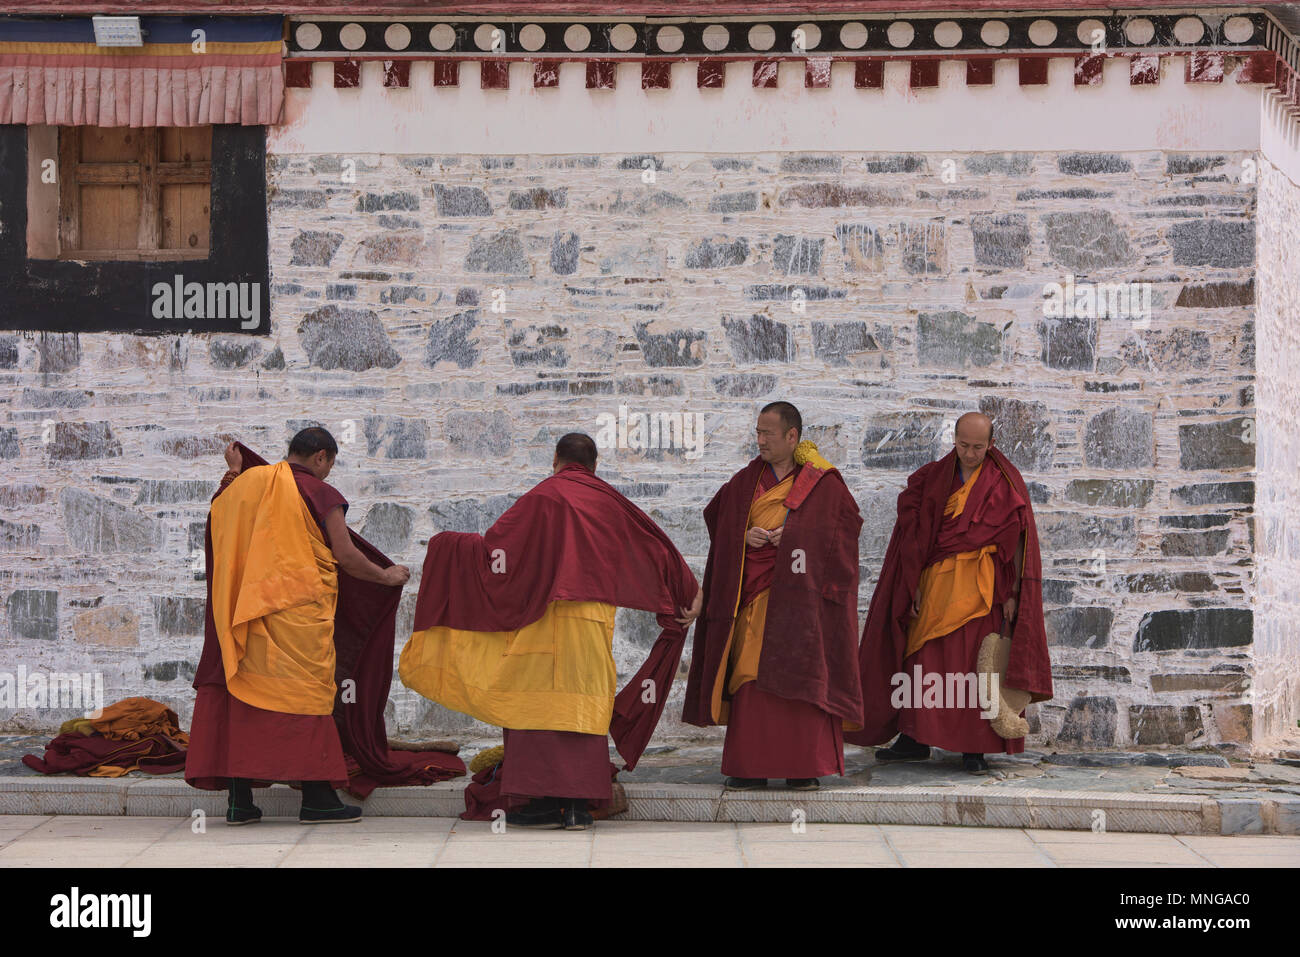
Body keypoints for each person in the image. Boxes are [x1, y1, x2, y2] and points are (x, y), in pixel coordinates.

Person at [400, 433, 700, 830]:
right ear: (594, 466)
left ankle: (538, 802)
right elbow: (654, 545)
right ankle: (576, 809)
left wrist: (447, 546)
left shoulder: (542, 497)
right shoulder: (609, 501)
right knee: (581, 706)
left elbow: (495, 553)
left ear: (555, 459)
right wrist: (687, 591)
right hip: (591, 621)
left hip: (541, 620)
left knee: (534, 705)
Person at [186, 428, 411, 824]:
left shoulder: (246, 485)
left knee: (244, 698)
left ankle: (240, 802)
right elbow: (346, 556)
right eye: (330, 464)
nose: (328, 472)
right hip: (296, 618)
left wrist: (234, 472)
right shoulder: (321, 494)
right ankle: (317, 799)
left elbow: (219, 513)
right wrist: (387, 577)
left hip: (244, 613)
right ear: (321, 457)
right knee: (304, 700)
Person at [848, 412, 1053, 772]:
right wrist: (908, 586)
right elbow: (912, 536)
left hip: (982, 587)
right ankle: (913, 737)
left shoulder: (1004, 481)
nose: (970, 454)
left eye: (977, 447)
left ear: (991, 444)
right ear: (953, 440)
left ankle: (974, 746)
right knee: (923, 661)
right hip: (935, 584)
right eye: (963, 445)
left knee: (975, 665)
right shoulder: (934, 478)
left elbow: (1017, 537)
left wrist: (1013, 592)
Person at [682, 402, 864, 791]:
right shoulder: (746, 481)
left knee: (800, 672)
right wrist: (742, 537)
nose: (760, 440)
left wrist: (798, 539)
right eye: (758, 433)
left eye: (768, 434)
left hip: (801, 601)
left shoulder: (822, 482)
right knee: (751, 671)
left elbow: (844, 533)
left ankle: (802, 767)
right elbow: (719, 521)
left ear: (792, 436)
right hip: (756, 596)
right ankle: (751, 766)